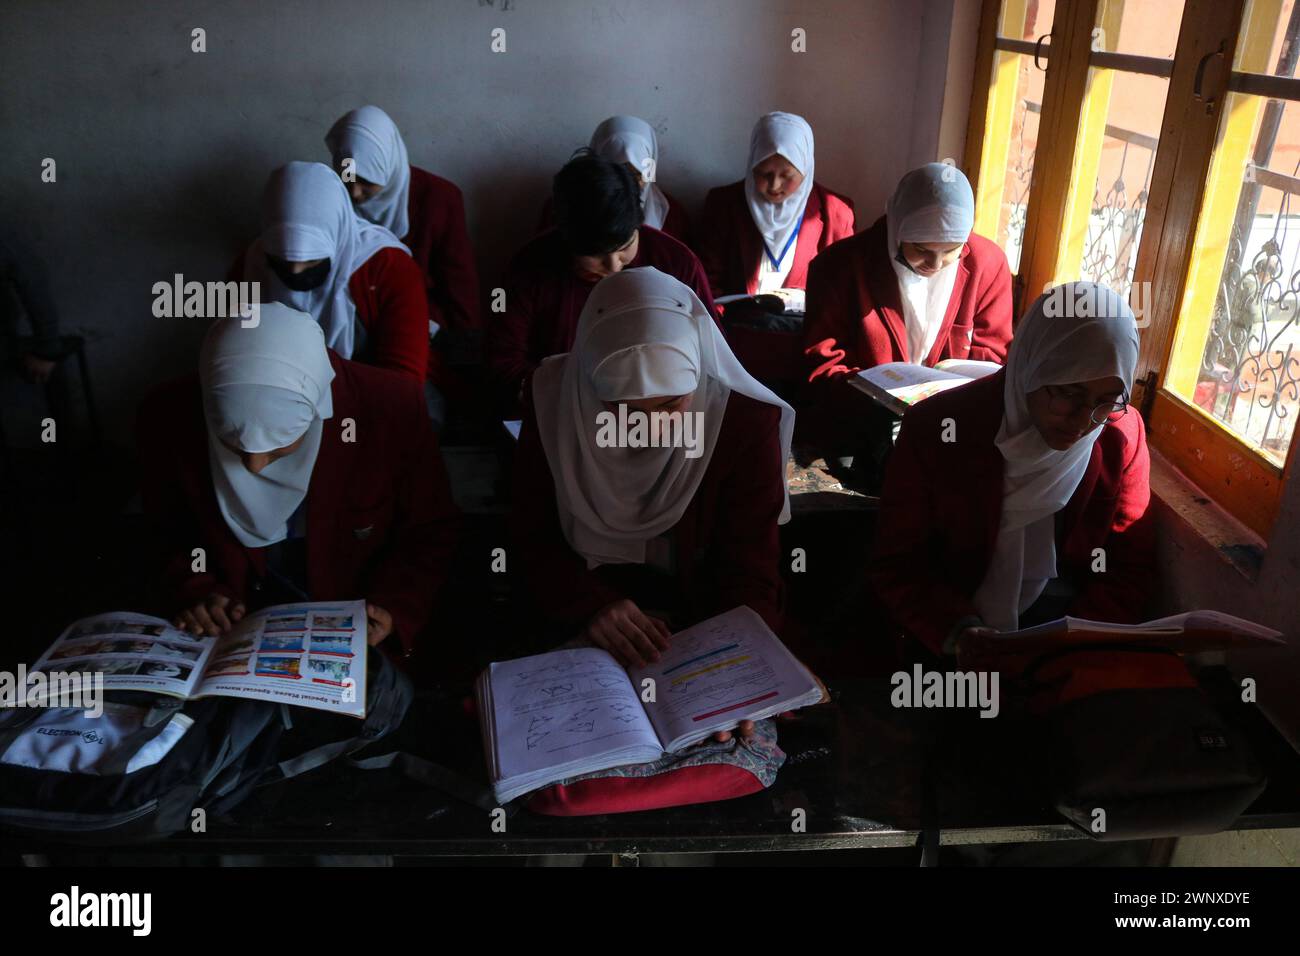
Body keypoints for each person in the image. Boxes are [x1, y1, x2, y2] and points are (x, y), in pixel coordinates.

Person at [512, 267, 792, 683]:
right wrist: (591, 605)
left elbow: (749, 566)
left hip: (701, 623)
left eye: (670, 405)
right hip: (579, 620)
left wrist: (736, 658)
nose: (650, 428)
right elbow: (531, 532)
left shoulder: (741, 420)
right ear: (588, 385)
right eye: (622, 408)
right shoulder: (554, 399)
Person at [137, 304, 460, 663]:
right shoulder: (167, 414)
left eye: (278, 446)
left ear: (317, 407)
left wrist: (391, 608)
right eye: (232, 444)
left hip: (350, 630)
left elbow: (428, 530)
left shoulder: (387, 406)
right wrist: (199, 590)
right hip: (233, 632)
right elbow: (167, 532)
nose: (254, 465)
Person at [868, 282, 1152, 661]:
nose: (1084, 420)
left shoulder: (1119, 435)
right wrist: (960, 633)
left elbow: (1126, 569)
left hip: (1066, 643)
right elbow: (900, 564)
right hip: (953, 634)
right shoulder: (940, 428)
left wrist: (1069, 647)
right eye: (1068, 393)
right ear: (1031, 365)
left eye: (1106, 400)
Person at [488, 153, 716, 416]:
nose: (614, 266)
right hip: (560, 410)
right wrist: (563, 396)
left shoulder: (678, 263)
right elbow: (501, 356)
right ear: (567, 241)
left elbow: (711, 349)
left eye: (625, 247)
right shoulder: (524, 269)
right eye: (596, 255)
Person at [325, 106, 481, 424]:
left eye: (367, 182)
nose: (355, 193)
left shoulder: (438, 199)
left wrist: (460, 350)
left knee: (412, 410)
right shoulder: (329, 198)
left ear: (387, 167)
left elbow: (461, 292)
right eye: (348, 180)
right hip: (351, 330)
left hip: (422, 333)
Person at [804, 162, 1012, 380]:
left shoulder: (988, 265)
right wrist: (874, 389)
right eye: (921, 249)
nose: (935, 264)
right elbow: (822, 364)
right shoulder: (838, 266)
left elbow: (992, 358)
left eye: (951, 250)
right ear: (896, 226)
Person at [232, 161, 430, 382]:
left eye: (312, 260)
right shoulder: (252, 265)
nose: (295, 271)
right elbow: (229, 350)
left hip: (372, 397)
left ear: (337, 236)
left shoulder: (389, 268)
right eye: (282, 260)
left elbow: (404, 382)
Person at [698, 111, 855, 302]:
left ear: (805, 168)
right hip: (734, 320)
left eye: (786, 176)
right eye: (764, 173)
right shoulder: (723, 205)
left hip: (805, 322)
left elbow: (842, 290)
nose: (774, 186)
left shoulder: (837, 214)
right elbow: (705, 284)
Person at [537, 116, 692, 246]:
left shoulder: (671, 216)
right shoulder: (562, 208)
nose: (631, 184)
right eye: (619, 172)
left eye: (638, 174)